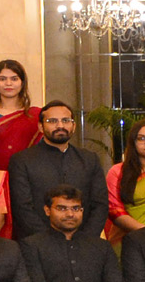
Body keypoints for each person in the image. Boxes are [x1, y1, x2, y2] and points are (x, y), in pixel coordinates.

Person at [7, 101, 108, 239]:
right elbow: (22, 208)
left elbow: (100, 204)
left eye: (66, 120)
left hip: (83, 243)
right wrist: (51, 240)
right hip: (37, 244)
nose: (60, 126)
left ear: (74, 126)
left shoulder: (89, 159)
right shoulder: (22, 161)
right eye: (52, 121)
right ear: (41, 127)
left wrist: (86, 238)